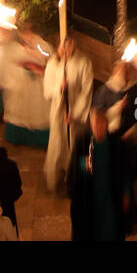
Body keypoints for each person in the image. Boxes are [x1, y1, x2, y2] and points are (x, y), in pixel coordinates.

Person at [68, 105, 132, 242]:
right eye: (95, 123)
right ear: (90, 124)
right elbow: (72, 169)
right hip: (90, 197)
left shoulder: (116, 143)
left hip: (110, 196)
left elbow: (124, 170)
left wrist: (126, 192)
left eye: (101, 123)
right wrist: (82, 165)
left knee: (109, 229)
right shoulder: (82, 141)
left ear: (107, 124)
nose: (98, 127)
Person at [43, 37, 94, 193]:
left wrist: (75, 113)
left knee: (74, 145)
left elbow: (86, 90)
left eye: (70, 45)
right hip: (58, 112)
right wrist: (59, 88)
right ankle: (56, 176)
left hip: (74, 113)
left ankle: (73, 178)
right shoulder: (53, 64)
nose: (66, 49)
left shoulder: (84, 62)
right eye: (63, 46)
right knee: (58, 143)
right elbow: (47, 90)